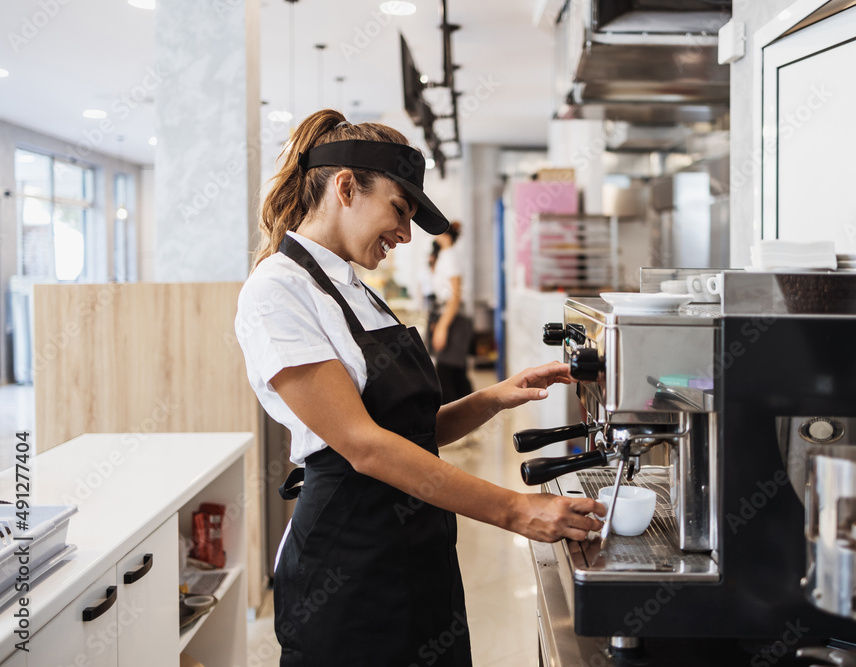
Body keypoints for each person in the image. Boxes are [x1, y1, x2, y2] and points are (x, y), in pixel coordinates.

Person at [234, 109, 604, 667]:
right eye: (399, 210)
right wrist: (514, 510)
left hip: (419, 544)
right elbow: (363, 444)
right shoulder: (277, 292)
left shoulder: (357, 289)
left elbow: (408, 429)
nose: (405, 235)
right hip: (349, 562)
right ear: (345, 187)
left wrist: (497, 394)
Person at [428, 222, 474, 403]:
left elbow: (455, 296)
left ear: (444, 236)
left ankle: (455, 419)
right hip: (450, 316)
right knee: (456, 371)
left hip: (455, 318)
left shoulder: (451, 257)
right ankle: (471, 417)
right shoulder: (447, 256)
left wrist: (442, 327)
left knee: (446, 373)